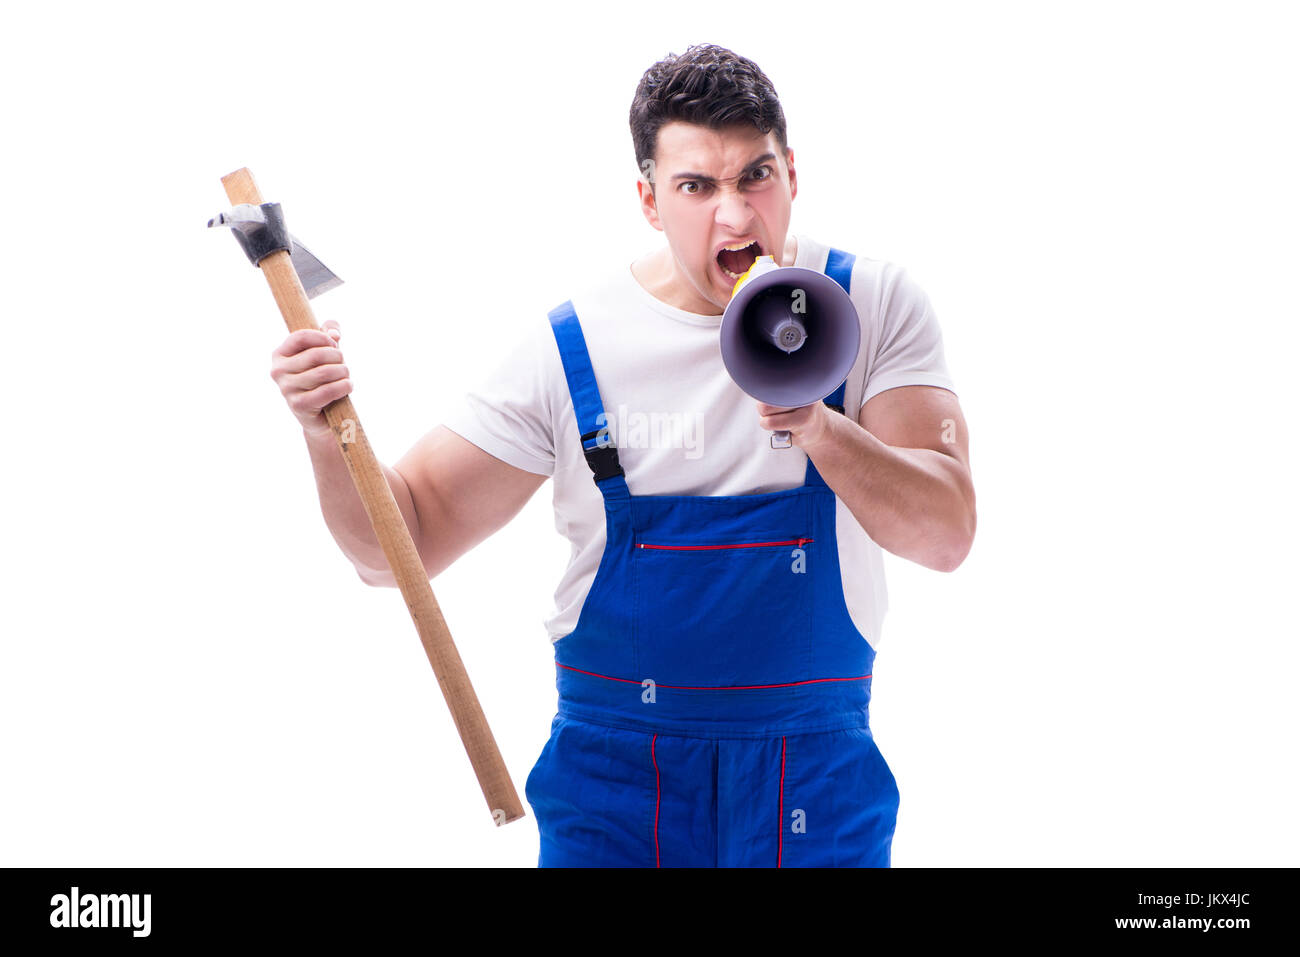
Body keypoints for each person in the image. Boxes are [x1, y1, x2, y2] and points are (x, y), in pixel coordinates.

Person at [270, 43, 975, 867]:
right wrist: (327, 431)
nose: (737, 218)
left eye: (756, 176)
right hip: (616, 789)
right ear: (648, 199)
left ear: (794, 173)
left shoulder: (872, 305)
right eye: (696, 187)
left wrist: (818, 423)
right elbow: (402, 546)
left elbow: (946, 533)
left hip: (811, 783)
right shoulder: (576, 344)